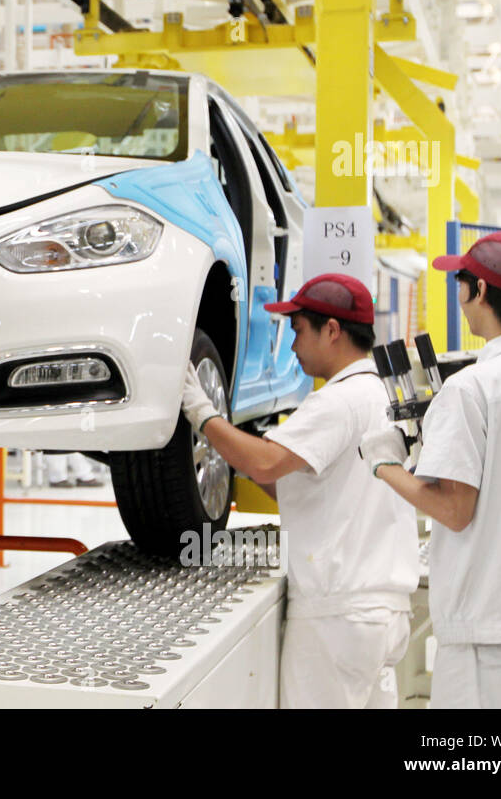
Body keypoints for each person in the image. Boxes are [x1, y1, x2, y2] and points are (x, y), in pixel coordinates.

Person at [360, 231, 501, 709]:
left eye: (459, 282)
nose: (458, 294)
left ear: (479, 291)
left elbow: (455, 510)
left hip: (487, 635)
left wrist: (384, 464)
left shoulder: (472, 389)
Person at [181, 273, 419, 708]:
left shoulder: (338, 400)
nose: (292, 345)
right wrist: (241, 453)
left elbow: (266, 461)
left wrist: (203, 414)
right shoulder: (381, 394)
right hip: (384, 615)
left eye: (298, 330)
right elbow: (313, 484)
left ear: (332, 330)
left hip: (337, 619)